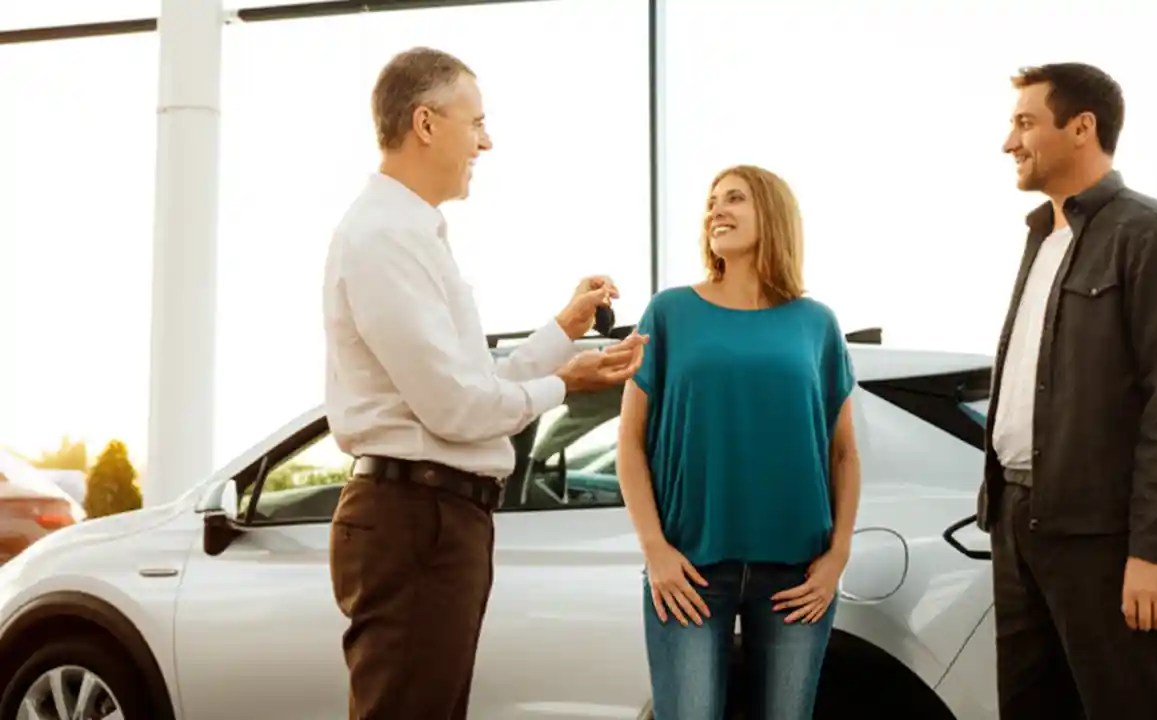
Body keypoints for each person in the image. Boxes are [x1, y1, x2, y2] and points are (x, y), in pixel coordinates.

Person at [321, 47, 647, 720]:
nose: (486, 141)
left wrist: (563, 328)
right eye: (477, 122)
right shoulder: (383, 237)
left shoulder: (411, 235)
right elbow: (456, 406)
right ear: (427, 123)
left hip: (436, 517)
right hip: (416, 518)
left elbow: (474, 383)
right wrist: (566, 382)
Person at [977, 63, 1157, 720]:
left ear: (1082, 127)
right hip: (1019, 528)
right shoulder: (1042, 237)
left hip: (1106, 542)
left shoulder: (1152, 233)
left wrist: (1155, 553)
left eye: (1025, 122)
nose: (1009, 142)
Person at [616, 165, 862, 719]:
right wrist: (655, 550)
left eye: (734, 199)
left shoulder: (817, 323)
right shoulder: (669, 312)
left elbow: (843, 453)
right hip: (687, 572)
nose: (716, 211)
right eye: (711, 201)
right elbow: (629, 442)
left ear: (771, 215)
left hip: (798, 577)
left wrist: (837, 556)